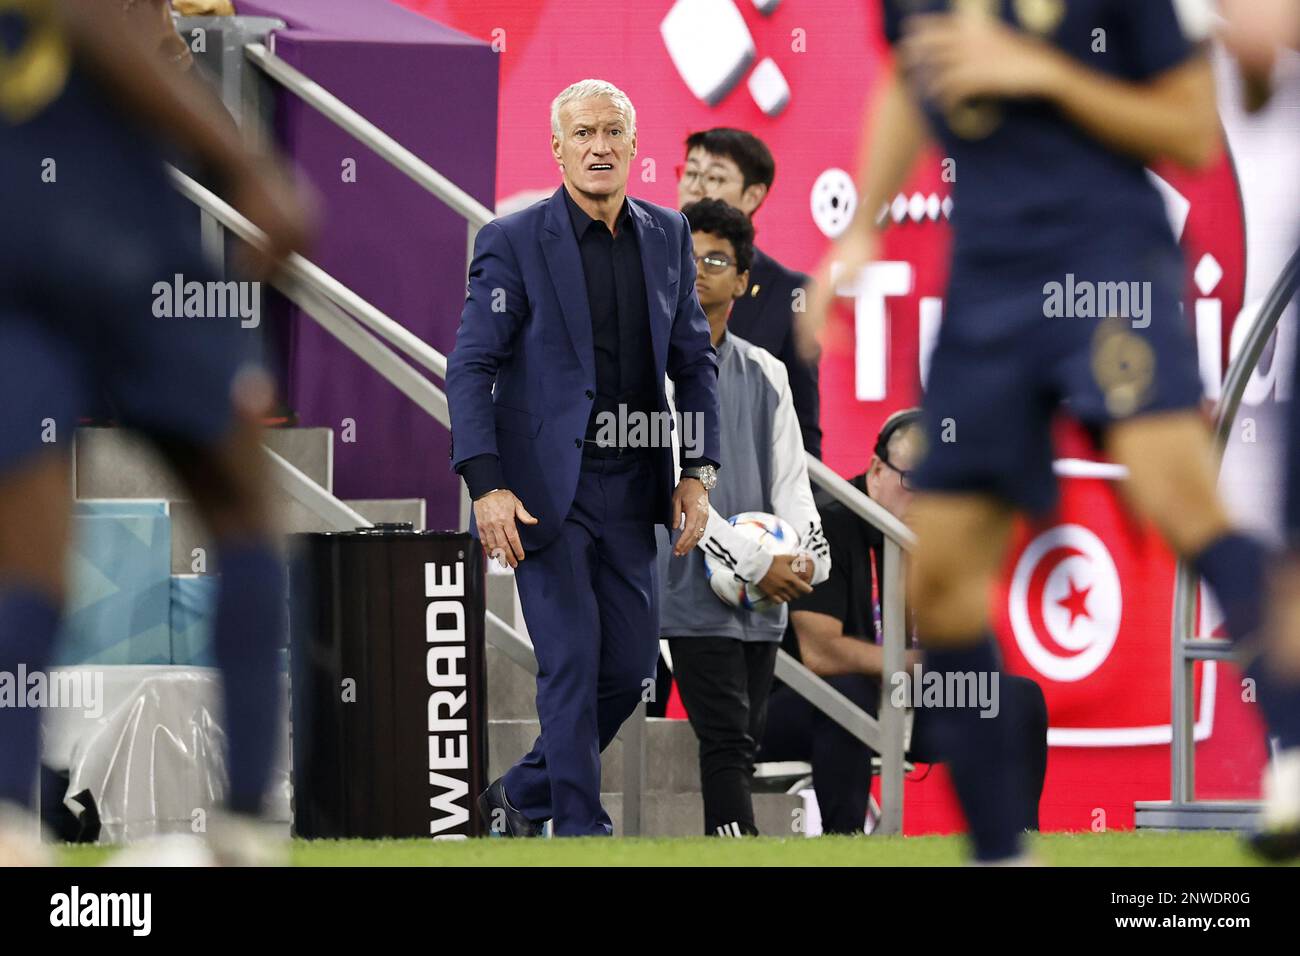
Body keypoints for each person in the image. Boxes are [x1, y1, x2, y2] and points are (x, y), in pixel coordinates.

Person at [803, 0, 1300, 863]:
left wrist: (1042, 73)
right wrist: (860, 231)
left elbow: (1187, 130)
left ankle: (1293, 750)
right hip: (986, 287)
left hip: (1107, 265)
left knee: (1180, 502)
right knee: (947, 579)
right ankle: (1002, 851)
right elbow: (905, 77)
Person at [0, 0, 311, 865]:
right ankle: (247, 825)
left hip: (56, 227)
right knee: (239, 505)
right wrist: (249, 160)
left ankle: (12, 825)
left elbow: (147, 46)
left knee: (27, 550)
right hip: (102, 235)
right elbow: (96, 19)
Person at [447, 78, 721, 837]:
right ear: (557, 147)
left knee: (629, 672)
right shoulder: (511, 239)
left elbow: (695, 365)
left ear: (635, 146)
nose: (599, 146)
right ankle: (578, 830)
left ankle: (522, 794)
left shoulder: (669, 235)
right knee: (569, 663)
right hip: (543, 494)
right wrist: (486, 483)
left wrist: (699, 473)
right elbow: (471, 366)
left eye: (612, 132)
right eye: (583, 134)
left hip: (636, 491)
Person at [760, 409, 1048, 835]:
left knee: (1015, 698)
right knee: (849, 694)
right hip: (799, 703)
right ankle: (847, 842)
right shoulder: (827, 521)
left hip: (900, 694)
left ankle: (1013, 841)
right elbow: (820, 654)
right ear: (877, 470)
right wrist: (924, 663)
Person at [659, 199, 829, 837]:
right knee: (727, 741)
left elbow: (793, 480)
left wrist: (808, 559)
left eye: (715, 259)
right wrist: (758, 561)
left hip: (762, 600)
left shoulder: (768, 370)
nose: (698, 270)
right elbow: (675, 491)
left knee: (743, 742)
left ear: (743, 279)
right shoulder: (651, 370)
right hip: (680, 586)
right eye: (686, 257)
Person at [678, 128, 821, 459]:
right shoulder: (645, 271)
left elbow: (803, 427)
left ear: (753, 195)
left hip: (746, 479)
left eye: (714, 177)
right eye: (691, 172)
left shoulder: (790, 293)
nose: (696, 187)